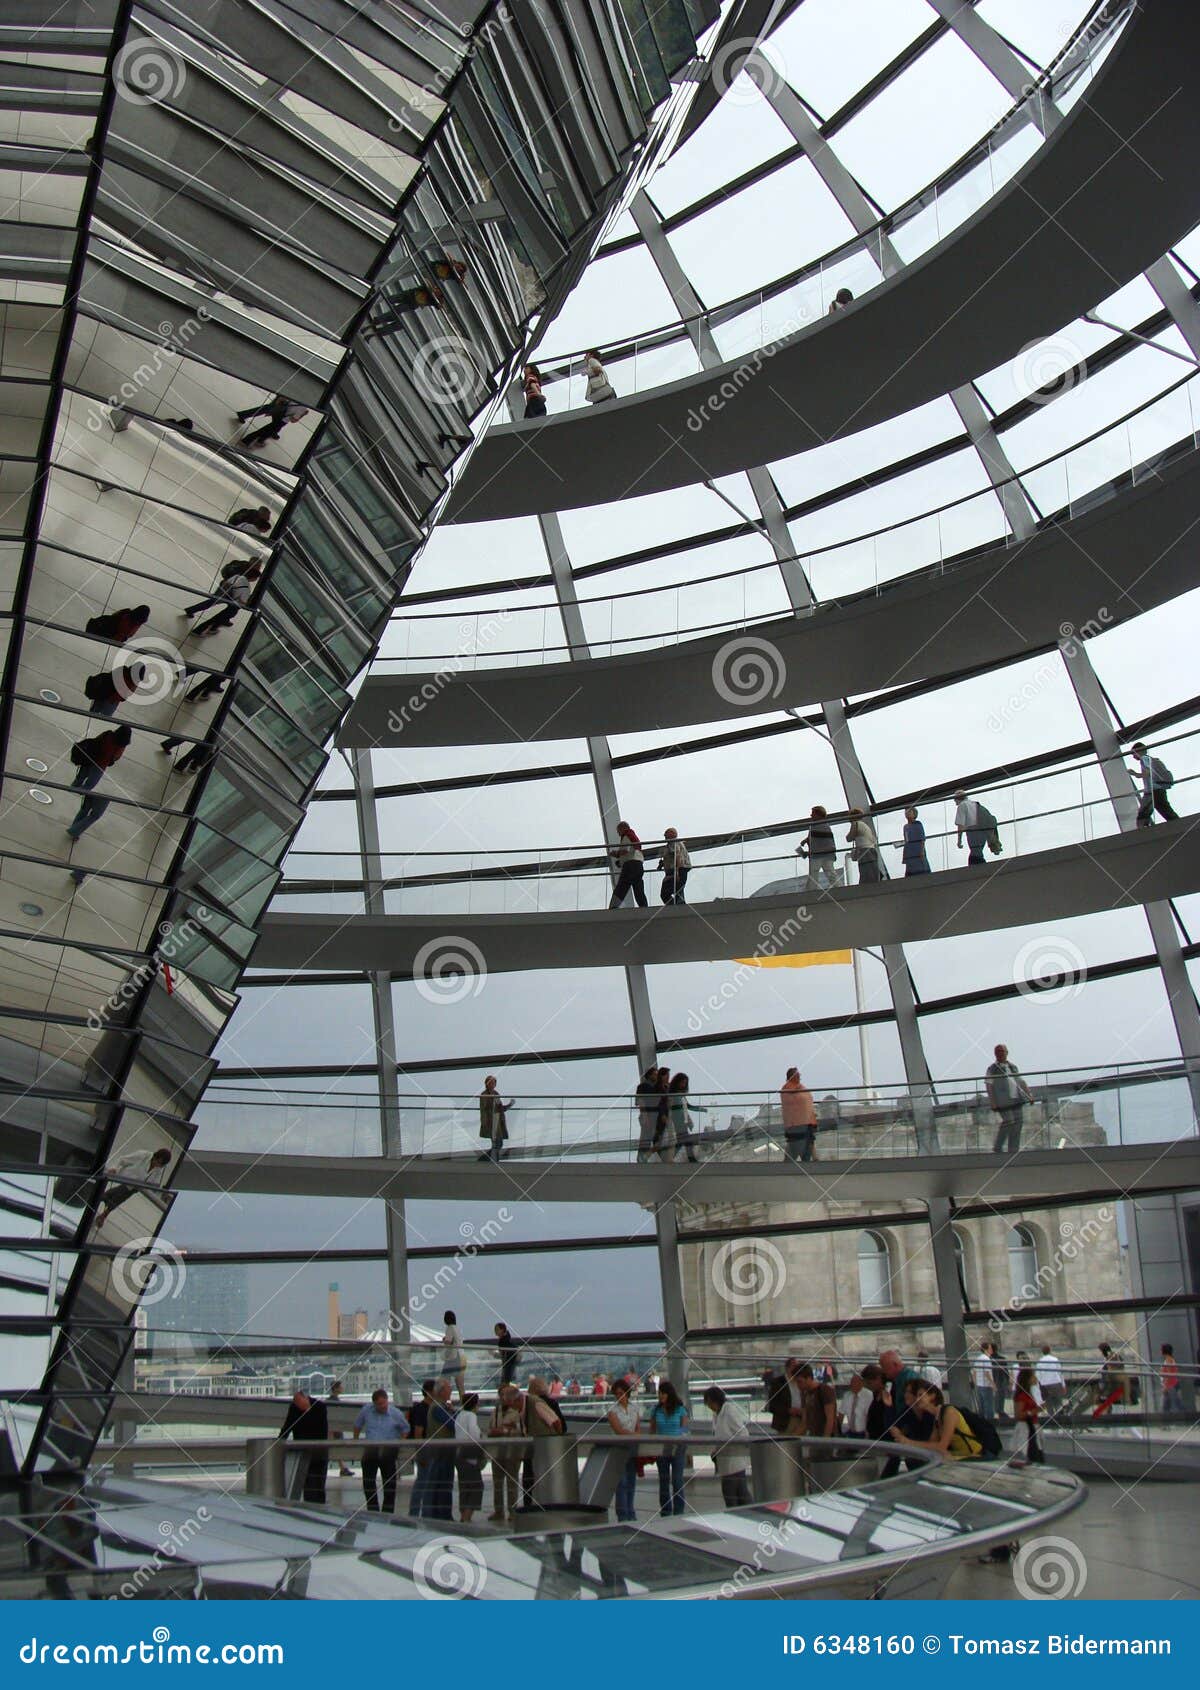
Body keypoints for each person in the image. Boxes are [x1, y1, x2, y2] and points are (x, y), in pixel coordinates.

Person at [65, 724, 132, 841]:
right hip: (100, 765)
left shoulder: (109, 734)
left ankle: (74, 787)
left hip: (91, 759)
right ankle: (74, 830)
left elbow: (96, 740)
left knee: (82, 778)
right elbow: (116, 757)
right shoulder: (121, 745)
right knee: (91, 792)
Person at [890, 1381, 982, 1460]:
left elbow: (941, 1446)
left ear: (932, 1396)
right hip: (960, 1454)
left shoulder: (949, 1412)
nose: (917, 1399)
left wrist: (908, 1442)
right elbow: (932, 1444)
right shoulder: (937, 1418)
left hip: (975, 1454)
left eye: (921, 1395)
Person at [353, 1387, 409, 1513]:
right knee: (368, 1483)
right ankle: (373, 1510)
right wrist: (355, 1440)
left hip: (389, 1451)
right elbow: (357, 1424)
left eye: (384, 1403)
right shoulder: (367, 1410)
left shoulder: (396, 1413)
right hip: (371, 1450)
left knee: (389, 1484)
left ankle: (388, 1513)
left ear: (387, 1401)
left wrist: (400, 1444)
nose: (382, 1406)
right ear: (374, 1404)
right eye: (379, 1404)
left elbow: (405, 1429)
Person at [94, 1145, 172, 1230]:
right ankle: (99, 1209)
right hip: (123, 1180)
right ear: (155, 1156)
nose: (157, 1165)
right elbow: (122, 1159)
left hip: (134, 1188)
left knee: (118, 1200)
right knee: (113, 1194)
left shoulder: (159, 1169)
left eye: (160, 1164)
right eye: (157, 1161)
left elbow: (154, 1183)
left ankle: (103, 1215)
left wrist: (153, 1187)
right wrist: (114, 1168)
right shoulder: (142, 1155)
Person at [183, 560, 261, 635]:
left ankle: (191, 610)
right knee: (231, 611)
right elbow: (242, 601)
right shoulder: (246, 586)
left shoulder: (241, 570)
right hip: (231, 595)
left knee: (212, 603)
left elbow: (228, 581)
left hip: (225, 589)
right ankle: (211, 627)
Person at [702, 1386, 750, 1507]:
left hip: (734, 1462)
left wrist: (727, 1446)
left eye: (709, 1402)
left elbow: (743, 1433)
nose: (708, 1406)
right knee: (738, 1494)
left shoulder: (729, 1411)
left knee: (733, 1495)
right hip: (725, 1463)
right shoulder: (717, 1415)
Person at [278, 1390, 329, 1502]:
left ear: (307, 1399)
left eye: (302, 1405)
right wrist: (279, 1442)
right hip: (302, 1451)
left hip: (319, 1451)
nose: (300, 1408)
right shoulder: (294, 1408)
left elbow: (323, 1431)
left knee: (319, 1484)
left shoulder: (320, 1407)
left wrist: (307, 1411)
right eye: (298, 1405)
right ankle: (310, 1505)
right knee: (308, 1483)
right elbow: (287, 1427)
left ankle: (320, 1506)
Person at [648, 1380, 689, 1516]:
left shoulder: (680, 1409)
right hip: (662, 1449)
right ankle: (665, 1511)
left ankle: (679, 1511)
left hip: (677, 1448)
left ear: (669, 1394)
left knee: (677, 1480)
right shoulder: (656, 1410)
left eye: (663, 1393)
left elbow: (684, 1428)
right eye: (659, 1393)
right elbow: (652, 1430)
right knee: (664, 1480)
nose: (660, 1396)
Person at [986, 1044, 1034, 1154]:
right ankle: (998, 1146)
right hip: (1002, 1101)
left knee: (1017, 1125)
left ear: (1007, 1052)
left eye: (1002, 1051)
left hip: (1016, 1099)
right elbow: (989, 1085)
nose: (1000, 1054)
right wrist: (993, 1102)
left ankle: (1013, 1151)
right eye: (998, 1052)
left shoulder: (1013, 1067)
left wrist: (1029, 1094)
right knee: (1009, 1121)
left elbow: (1020, 1081)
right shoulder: (992, 1068)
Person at [488, 1383, 524, 1522]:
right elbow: (490, 1429)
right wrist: (500, 1430)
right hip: (497, 1451)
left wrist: (504, 1430)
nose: (503, 1397)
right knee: (497, 1483)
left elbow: (520, 1431)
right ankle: (498, 1511)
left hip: (513, 1451)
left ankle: (512, 1511)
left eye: (506, 1395)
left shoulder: (518, 1411)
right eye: (502, 1394)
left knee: (512, 1483)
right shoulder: (495, 1411)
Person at [608, 1375, 641, 1522]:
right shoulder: (612, 1411)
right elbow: (618, 1430)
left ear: (626, 1393)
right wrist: (635, 1435)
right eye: (616, 1394)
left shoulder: (635, 1408)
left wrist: (635, 1435)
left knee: (631, 1482)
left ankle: (630, 1512)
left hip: (632, 1448)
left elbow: (637, 1427)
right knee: (621, 1483)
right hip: (619, 1448)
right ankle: (623, 1514)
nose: (619, 1396)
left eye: (621, 1393)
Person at [424, 1379, 458, 1519]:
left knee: (440, 1484)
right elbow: (453, 1424)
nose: (451, 1391)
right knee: (443, 1484)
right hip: (442, 1451)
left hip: (441, 1451)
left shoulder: (438, 1406)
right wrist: (458, 1414)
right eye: (449, 1388)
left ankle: (439, 1514)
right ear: (442, 1391)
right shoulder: (438, 1407)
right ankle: (443, 1515)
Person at [406, 1379, 436, 1517]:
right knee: (423, 1482)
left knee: (426, 1482)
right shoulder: (422, 1410)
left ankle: (424, 1512)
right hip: (426, 1450)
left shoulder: (431, 1408)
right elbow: (418, 1432)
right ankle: (417, 1512)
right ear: (429, 1392)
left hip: (430, 1450)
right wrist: (420, 1453)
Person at [1130, 741, 1178, 826]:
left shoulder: (1144, 759)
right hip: (1157, 789)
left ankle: (1142, 833)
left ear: (1138, 751)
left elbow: (1149, 772)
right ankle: (1178, 824)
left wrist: (1135, 774)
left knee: (1146, 813)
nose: (1133, 756)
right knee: (1164, 809)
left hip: (1153, 790)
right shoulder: (1150, 759)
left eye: (1133, 753)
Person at [455, 1392, 485, 1521]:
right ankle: (467, 1515)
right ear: (476, 1404)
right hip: (469, 1454)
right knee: (476, 1486)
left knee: (464, 1486)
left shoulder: (459, 1415)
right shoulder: (471, 1416)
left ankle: (464, 1514)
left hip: (458, 1453)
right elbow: (473, 1433)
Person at [237, 394, 306, 449]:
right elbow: (293, 420)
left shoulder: (297, 396)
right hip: (282, 419)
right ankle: (248, 441)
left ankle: (262, 439)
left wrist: (274, 406)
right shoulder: (303, 409)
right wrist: (303, 415)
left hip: (278, 411)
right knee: (269, 429)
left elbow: (282, 398)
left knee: (271, 425)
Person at [796, 805, 839, 890]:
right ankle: (838, 888)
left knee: (814, 874)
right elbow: (821, 839)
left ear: (818, 814)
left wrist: (809, 847)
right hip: (826, 854)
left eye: (813, 813)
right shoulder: (822, 826)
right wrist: (806, 840)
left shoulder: (818, 826)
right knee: (830, 873)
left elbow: (819, 840)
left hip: (818, 855)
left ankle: (811, 891)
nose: (811, 815)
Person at [780, 1066, 817, 1163]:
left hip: (805, 1122)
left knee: (806, 1142)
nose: (799, 1077)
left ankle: (812, 1159)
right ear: (792, 1076)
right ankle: (808, 1161)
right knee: (798, 1144)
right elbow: (794, 1101)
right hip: (796, 1124)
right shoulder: (787, 1088)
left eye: (799, 1075)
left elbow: (805, 1099)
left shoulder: (799, 1087)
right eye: (797, 1075)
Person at [954, 789, 1000, 865]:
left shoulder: (962, 805)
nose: (955, 803)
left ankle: (979, 871)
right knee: (977, 853)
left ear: (957, 799)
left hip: (973, 832)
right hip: (983, 831)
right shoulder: (975, 804)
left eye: (955, 800)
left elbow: (961, 825)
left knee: (975, 855)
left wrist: (959, 840)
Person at [608, 821, 647, 908]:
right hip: (638, 865)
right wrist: (621, 861)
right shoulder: (634, 837)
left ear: (623, 828)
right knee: (638, 888)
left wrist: (616, 853)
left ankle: (613, 907)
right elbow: (632, 852)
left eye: (618, 831)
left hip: (630, 865)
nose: (618, 833)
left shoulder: (626, 836)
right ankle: (644, 907)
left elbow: (625, 850)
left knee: (622, 887)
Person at [1012, 1368, 1044, 1465]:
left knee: (1037, 1454)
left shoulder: (1029, 1394)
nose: (1035, 1378)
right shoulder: (1022, 1396)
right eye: (1033, 1376)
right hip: (1026, 1429)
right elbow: (1018, 1415)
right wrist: (1034, 1411)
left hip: (1033, 1427)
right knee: (1031, 1454)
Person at [478, 1074, 512, 1161]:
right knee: (497, 1143)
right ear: (486, 1083)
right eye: (490, 1082)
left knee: (498, 1143)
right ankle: (490, 1160)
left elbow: (499, 1108)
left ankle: (486, 1159)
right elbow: (485, 1108)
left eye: (493, 1082)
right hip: (490, 1121)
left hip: (497, 1121)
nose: (492, 1084)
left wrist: (509, 1105)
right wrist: (485, 1122)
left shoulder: (496, 1094)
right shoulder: (484, 1094)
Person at [798, 1363, 837, 1437]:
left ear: (808, 1378)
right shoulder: (805, 1394)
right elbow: (804, 1421)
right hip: (813, 1435)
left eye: (800, 1382)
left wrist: (824, 1440)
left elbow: (830, 1419)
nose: (798, 1385)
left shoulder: (825, 1390)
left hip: (827, 1438)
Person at [668, 1072, 698, 1164]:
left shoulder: (680, 1095)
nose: (683, 1084)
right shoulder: (673, 1094)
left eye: (685, 1083)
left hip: (681, 1120)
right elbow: (675, 1108)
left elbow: (687, 1107)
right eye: (682, 1082)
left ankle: (670, 1158)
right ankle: (691, 1159)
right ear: (677, 1082)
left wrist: (701, 1109)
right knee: (685, 1139)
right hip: (677, 1120)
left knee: (682, 1140)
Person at [846, 808, 880, 884]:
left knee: (865, 871)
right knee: (871, 871)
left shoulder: (855, 824)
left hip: (863, 850)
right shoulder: (865, 825)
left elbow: (849, 838)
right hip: (871, 849)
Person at [85, 604, 149, 643]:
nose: (134, 628)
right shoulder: (106, 624)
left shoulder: (120, 623)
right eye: (134, 624)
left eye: (138, 624)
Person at [635, 1065, 661, 1162]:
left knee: (652, 1137)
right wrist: (645, 1115)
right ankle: (642, 1157)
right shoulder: (643, 1086)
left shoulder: (656, 1087)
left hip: (654, 1114)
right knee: (646, 1136)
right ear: (649, 1075)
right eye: (654, 1074)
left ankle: (645, 1157)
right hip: (648, 1114)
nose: (656, 1077)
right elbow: (640, 1101)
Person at [659, 827, 690, 904]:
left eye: (666, 833)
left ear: (672, 834)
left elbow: (677, 856)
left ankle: (675, 907)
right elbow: (673, 857)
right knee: (678, 891)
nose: (664, 835)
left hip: (677, 870)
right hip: (679, 869)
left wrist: (676, 872)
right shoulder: (674, 844)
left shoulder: (673, 842)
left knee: (666, 892)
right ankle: (678, 906)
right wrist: (663, 863)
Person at [896, 805, 930, 875]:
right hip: (909, 850)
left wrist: (921, 851)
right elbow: (906, 839)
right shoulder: (905, 827)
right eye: (906, 811)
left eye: (909, 811)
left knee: (920, 866)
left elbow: (922, 838)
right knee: (910, 868)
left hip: (917, 849)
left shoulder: (918, 824)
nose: (907, 813)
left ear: (914, 813)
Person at [440, 1310, 466, 1396]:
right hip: (462, 1356)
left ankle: (446, 1401)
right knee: (460, 1385)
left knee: (444, 1381)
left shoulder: (450, 1328)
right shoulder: (457, 1328)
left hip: (454, 1358)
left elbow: (448, 1342)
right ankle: (464, 1403)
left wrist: (444, 1340)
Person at [1036, 1345, 1066, 1414]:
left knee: (1049, 1404)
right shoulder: (1055, 1359)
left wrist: (1039, 1387)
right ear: (1050, 1351)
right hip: (1056, 1383)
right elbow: (1060, 1373)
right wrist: (1063, 1385)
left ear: (1042, 1352)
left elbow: (1038, 1376)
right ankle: (1060, 1418)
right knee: (1058, 1403)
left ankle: (1051, 1418)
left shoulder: (1039, 1362)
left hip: (1045, 1385)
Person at [972, 1341, 995, 1419]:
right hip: (986, 1385)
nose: (991, 1350)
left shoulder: (978, 1358)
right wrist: (993, 1384)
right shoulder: (986, 1359)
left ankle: (981, 1422)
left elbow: (974, 1372)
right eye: (990, 1348)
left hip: (979, 1385)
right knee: (989, 1405)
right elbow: (987, 1372)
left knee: (981, 1406)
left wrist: (975, 1383)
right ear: (986, 1349)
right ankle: (990, 1422)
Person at [843, 1373, 871, 1437]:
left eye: (854, 1383)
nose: (852, 1385)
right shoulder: (847, 1395)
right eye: (851, 1383)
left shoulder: (868, 1395)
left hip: (863, 1432)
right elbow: (842, 1412)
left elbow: (869, 1415)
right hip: (849, 1431)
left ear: (861, 1384)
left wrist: (868, 1431)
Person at [494, 1320, 520, 1386]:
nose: (495, 1331)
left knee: (506, 1380)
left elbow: (507, 1350)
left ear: (502, 1330)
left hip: (509, 1361)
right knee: (505, 1379)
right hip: (507, 1361)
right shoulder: (504, 1339)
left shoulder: (505, 1340)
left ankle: (513, 1387)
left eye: (497, 1329)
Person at [1160, 1343, 1183, 1413]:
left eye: (1161, 1350)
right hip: (1171, 1385)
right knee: (1173, 1403)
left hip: (1171, 1385)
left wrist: (1165, 1387)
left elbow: (1169, 1374)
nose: (1160, 1351)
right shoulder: (1169, 1359)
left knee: (1167, 1405)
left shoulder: (1168, 1360)